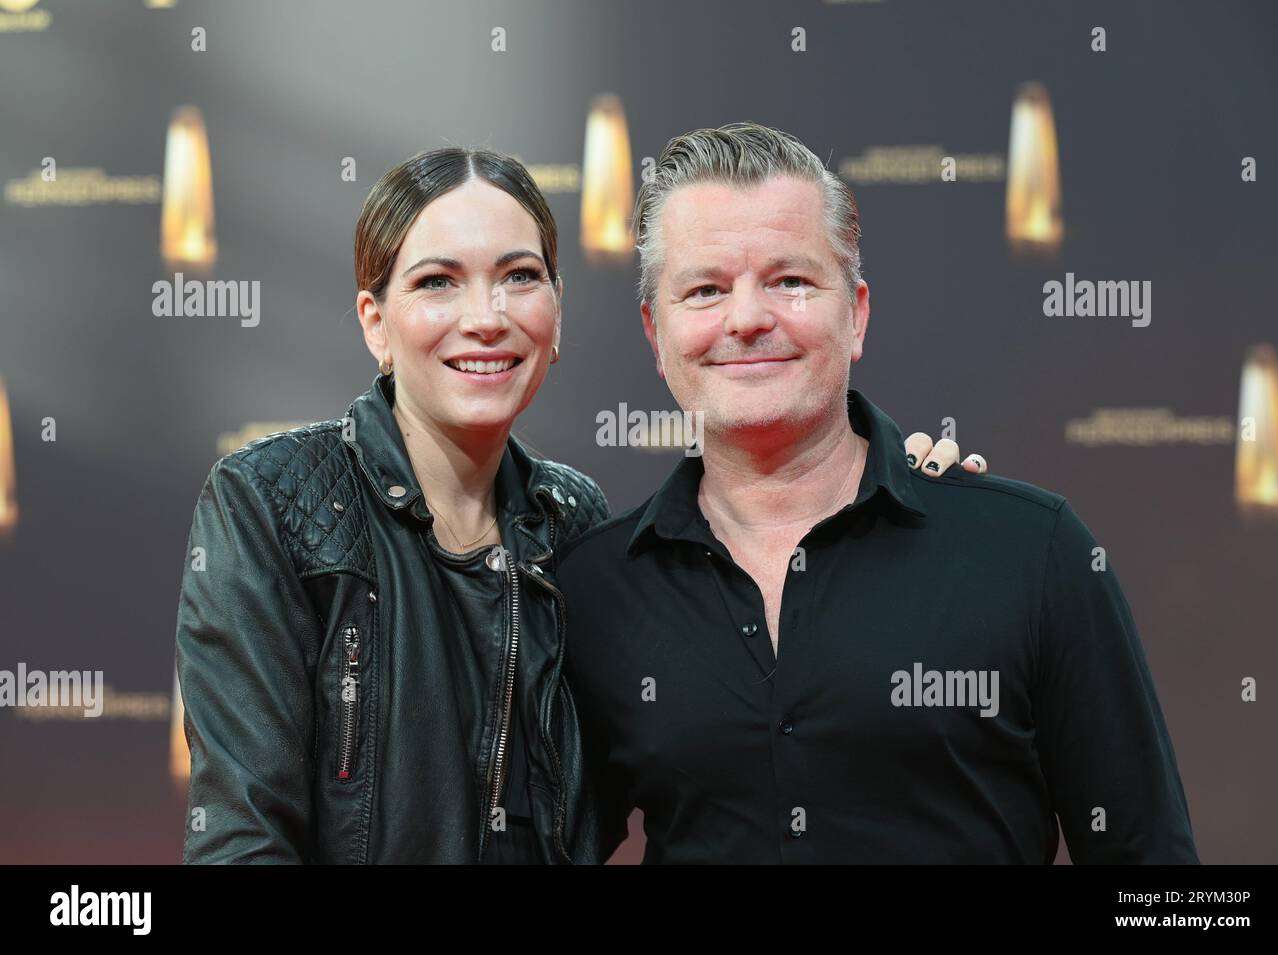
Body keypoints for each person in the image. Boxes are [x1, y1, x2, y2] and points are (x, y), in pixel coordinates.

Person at [173, 143, 987, 864]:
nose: (485, 318)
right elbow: (243, 837)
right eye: (437, 282)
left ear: (556, 316)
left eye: (519, 277)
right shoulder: (275, 500)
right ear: (376, 323)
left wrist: (890, 496)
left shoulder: (573, 521)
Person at [555, 122, 1199, 864]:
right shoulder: (595, 590)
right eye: (705, 289)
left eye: (790, 281)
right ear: (655, 334)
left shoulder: (1029, 552)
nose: (747, 317)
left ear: (855, 313)